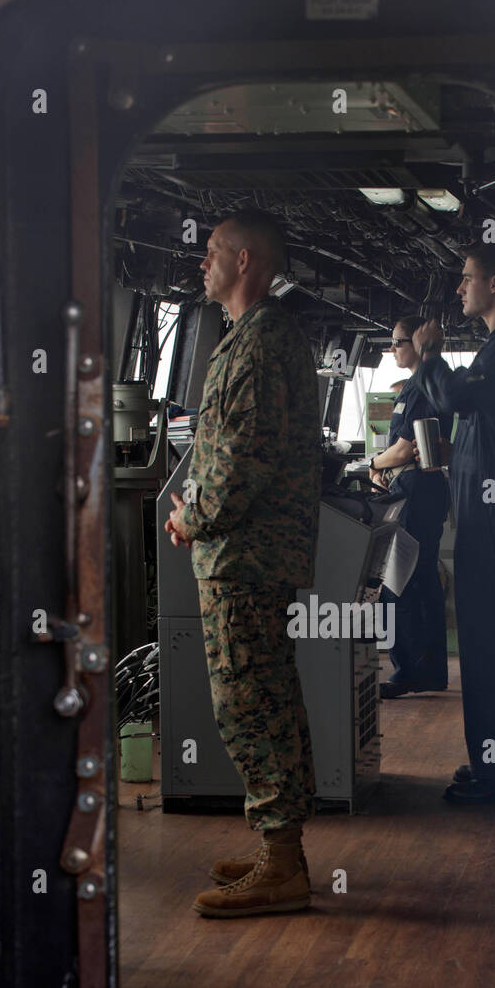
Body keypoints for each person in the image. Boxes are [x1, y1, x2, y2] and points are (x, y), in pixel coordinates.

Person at [165, 210, 321, 915]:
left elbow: (237, 467)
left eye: (213, 252)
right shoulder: (252, 338)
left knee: (248, 704)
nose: (204, 263)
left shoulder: (259, 344)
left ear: (247, 260)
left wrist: (187, 519)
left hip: (244, 557)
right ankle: (277, 850)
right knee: (265, 699)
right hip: (247, 555)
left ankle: (284, 862)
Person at [412, 239, 495, 804]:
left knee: (493, 652)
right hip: (489, 526)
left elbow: (451, 396)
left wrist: (428, 355)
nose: (460, 287)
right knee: (488, 649)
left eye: (467, 278)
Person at [369, 316, 449, 698]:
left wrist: (372, 464)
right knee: (422, 583)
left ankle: (408, 670)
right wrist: (392, 463)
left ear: (417, 343)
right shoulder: (417, 387)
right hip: (420, 489)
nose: (392, 349)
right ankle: (430, 670)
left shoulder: (419, 389)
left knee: (395, 585)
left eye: (398, 342)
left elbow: (403, 449)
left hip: (417, 494)